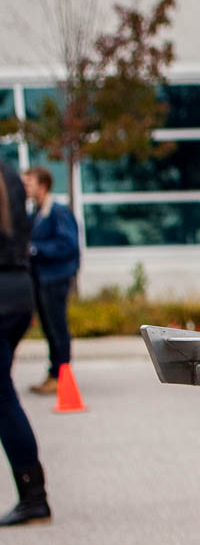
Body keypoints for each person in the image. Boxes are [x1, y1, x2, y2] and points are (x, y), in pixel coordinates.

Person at [0, 160, 49, 526]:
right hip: (17, 291)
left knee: (3, 399)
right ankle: (33, 496)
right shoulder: (10, 177)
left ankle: (34, 497)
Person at [22, 167, 79, 395]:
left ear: (43, 185)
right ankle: (54, 372)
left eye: (29, 183)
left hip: (55, 279)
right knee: (48, 328)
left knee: (57, 329)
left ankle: (61, 375)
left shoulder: (58, 212)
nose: (26, 188)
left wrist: (35, 249)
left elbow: (68, 245)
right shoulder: (37, 213)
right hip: (41, 280)